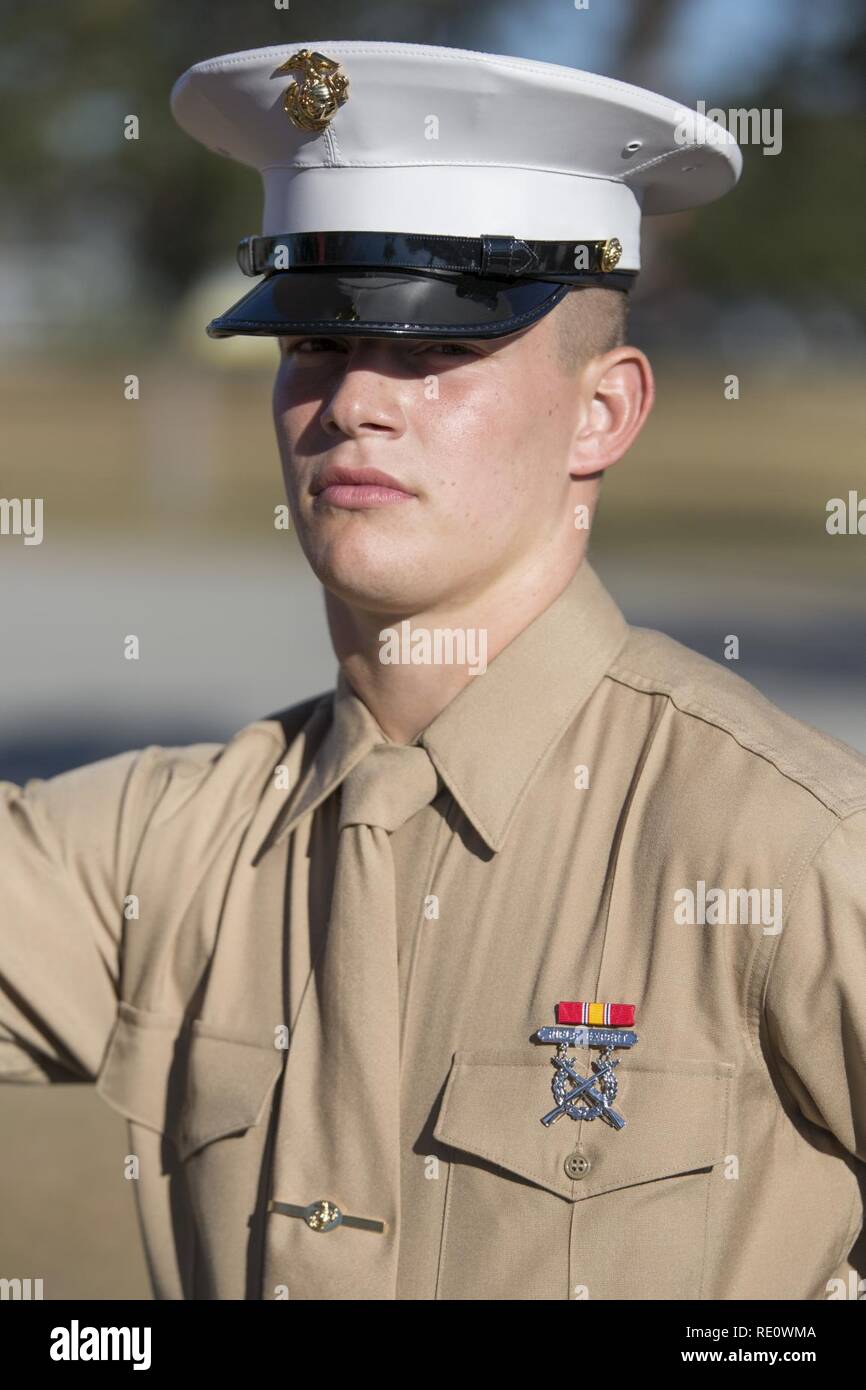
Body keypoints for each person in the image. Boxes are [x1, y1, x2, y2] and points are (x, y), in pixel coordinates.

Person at [2, 40, 864, 1302]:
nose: (353, 399)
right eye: (311, 343)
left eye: (430, 352)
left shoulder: (787, 848)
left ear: (601, 412)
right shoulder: (161, 848)